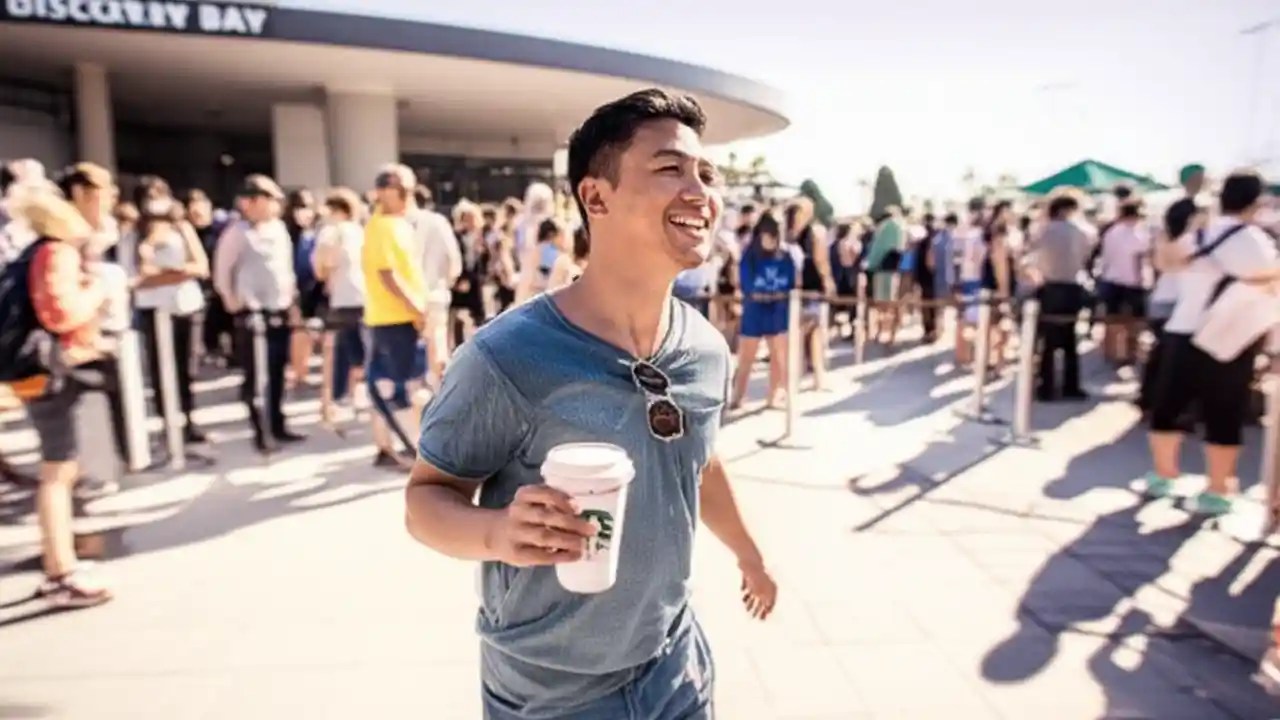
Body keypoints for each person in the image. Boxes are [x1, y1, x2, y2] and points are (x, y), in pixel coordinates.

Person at [405, 88, 776, 719]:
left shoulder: (707, 349)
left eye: (705, 174)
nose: (702, 192)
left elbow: (697, 462)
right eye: (670, 169)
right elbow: (425, 501)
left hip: (675, 667)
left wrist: (750, 554)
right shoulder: (508, 356)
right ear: (595, 197)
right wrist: (498, 531)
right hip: (551, 693)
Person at [1144, 170, 1280, 514]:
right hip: (1230, 335)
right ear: (1257, 201)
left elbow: (1166, 264)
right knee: (1224, 411)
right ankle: (1218, 489)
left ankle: (1163, 475)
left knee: (1168, 407)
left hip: (1182, 329)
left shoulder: (1201, 233)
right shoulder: (1255, 239)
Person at [212, 175, 304, 453]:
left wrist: (292, 304)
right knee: (258, 375)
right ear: (249, 202)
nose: (273, 205)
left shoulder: (278, 230)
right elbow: (222, 273)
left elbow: (286, 271)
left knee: (277, 372)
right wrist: (232, 301)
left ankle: (278, 424)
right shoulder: (237, 233)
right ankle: (261, 432)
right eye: (267, 199)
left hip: (279, 309)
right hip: (252, 312)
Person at [363, 164, 429, 467]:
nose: (406, 197)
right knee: (402, 388)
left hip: (397, 318)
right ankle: (407, 449)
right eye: (399, 190)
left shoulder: (396, 224)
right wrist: (417, 308)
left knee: (391, 386)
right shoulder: (382, 226)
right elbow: (388, 275)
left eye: (408, 190)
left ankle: (390, 447)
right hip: (394, 319)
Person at [1027, 190, 1093, 401]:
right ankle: (1070, 386)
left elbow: (1030, 256)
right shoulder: (1081, 231)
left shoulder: (1042, 231)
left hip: (1050, 286)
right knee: (1070, 341)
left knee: (1047, 341)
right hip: (1072, 286)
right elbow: (1085, 255)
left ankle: (1046, 387)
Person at [730, 211, 795, 409]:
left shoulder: (785, 255)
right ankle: (738, 396)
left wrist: (778, 293)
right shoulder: (750, 254)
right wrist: (757, 293)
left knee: (777, 355)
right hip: (754, 310)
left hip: (777, 309)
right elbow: (746, 282)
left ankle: (773, 396)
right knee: (747, 355)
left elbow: (790, 281)